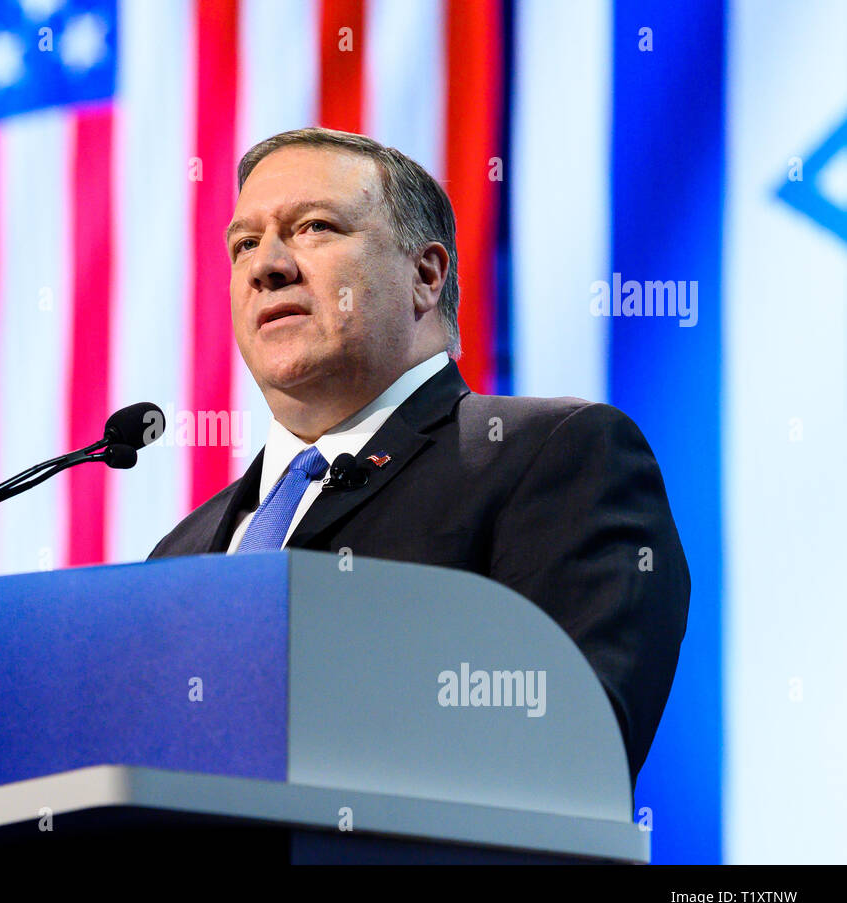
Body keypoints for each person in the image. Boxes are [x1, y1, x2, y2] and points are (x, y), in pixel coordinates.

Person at [148, 127, 690, 784]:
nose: (267, 265)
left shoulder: (551, 457)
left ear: (426, 275)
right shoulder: (181, 551)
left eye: (314, 227)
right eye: (244, 244)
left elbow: (564, 752)